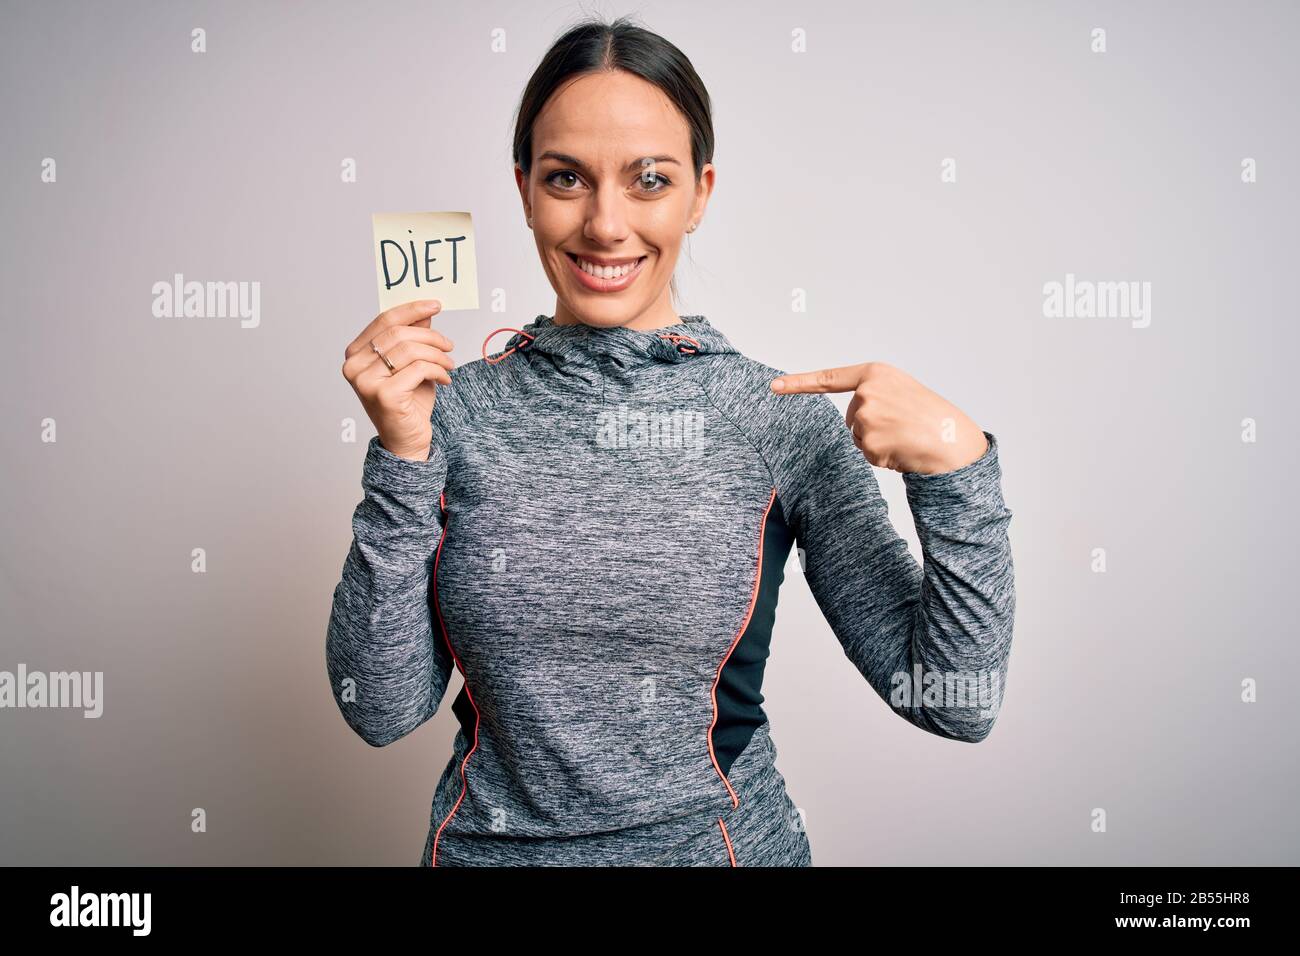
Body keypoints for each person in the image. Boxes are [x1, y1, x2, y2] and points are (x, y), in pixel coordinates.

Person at [328, 15, 1016, 867]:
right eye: (567, 178)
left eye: (649, 179)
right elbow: (381, 708)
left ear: (701, 191)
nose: (606, 224)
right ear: (524, 190)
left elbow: (956, 702)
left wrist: (959, 472)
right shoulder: (449, 413)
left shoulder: (776, 420)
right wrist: (399, 455)